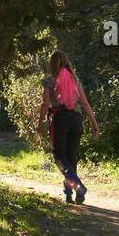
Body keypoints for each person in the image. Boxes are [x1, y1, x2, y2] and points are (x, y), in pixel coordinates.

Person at [36, 50, 99, 204]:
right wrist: (94, 124)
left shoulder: (49, 81)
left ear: (52, 64)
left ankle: (78, 187)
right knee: (71, 158)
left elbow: (45, 103)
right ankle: (71, 194)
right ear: (67, 62)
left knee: (59, 157)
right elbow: (84, 103)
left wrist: (40, 123)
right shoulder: (75, 80)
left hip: (60, 119)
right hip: (76, 119)